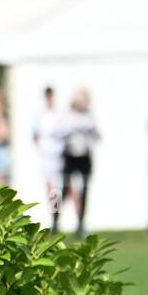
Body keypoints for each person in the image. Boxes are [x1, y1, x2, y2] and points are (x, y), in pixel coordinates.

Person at [60, 89, 99, 236]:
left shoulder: (89, 116)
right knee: (62, 190)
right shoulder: (67, 115)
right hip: (69, 156)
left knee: (85, 190)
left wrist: (89, 131)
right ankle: (56, 221)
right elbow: (60, 132)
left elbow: (98, 135)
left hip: (84, 156)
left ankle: (81, 223)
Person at [33, 86, 65, 230]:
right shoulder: (41, 116)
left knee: (56, 188)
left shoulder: (59, 115)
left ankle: (56, 216)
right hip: (46, 156)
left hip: (57, 156)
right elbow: (35, 134)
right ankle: (54, 216)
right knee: (50, 188)